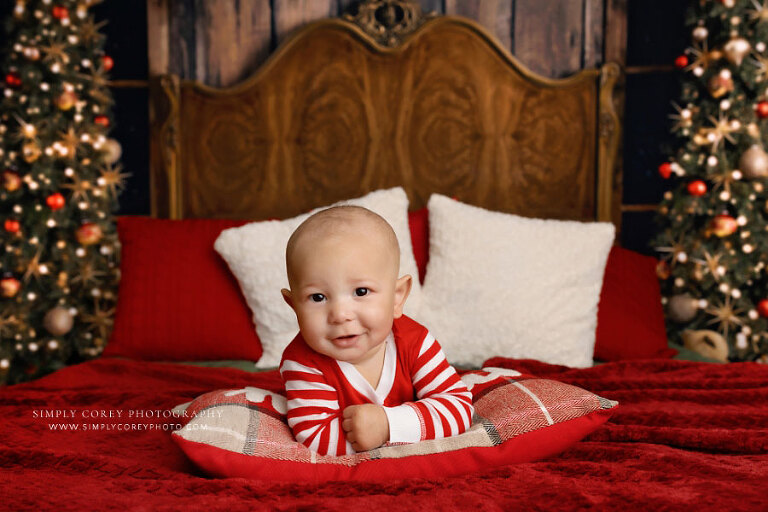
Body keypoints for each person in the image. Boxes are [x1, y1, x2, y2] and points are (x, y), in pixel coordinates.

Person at [279, 206, 474, 456]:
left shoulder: (416, 342)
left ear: (396, 297)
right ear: (294, 307)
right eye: (317, 297)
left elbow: (458, 408)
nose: (340, 314)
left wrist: (388, 426)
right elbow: (316, 438)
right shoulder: (303, 363)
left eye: (361, 292)